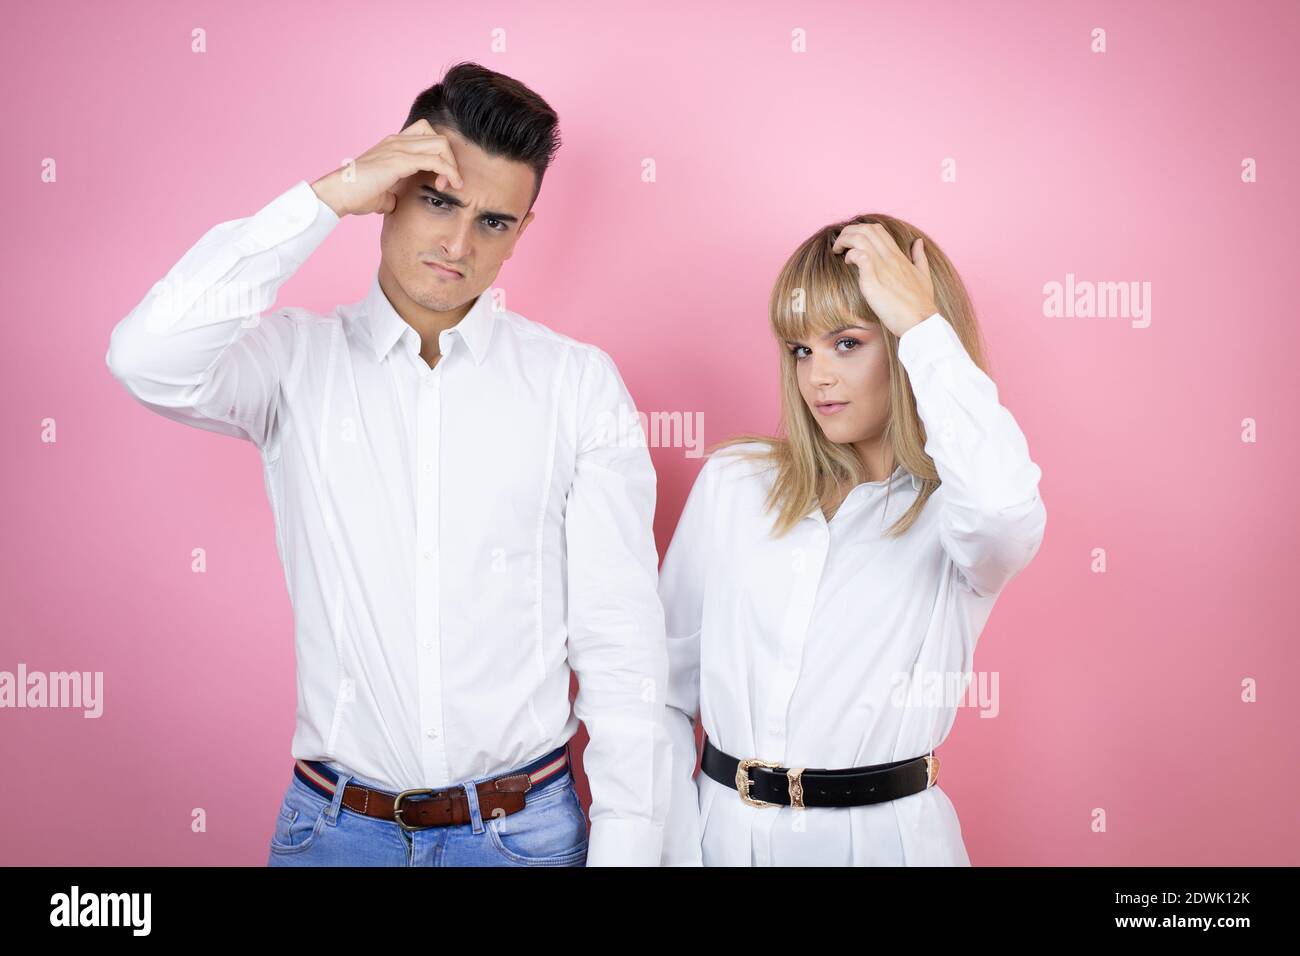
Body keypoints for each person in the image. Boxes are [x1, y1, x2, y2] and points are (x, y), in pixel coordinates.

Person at [105, 61, 671, 867]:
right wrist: (324, 196)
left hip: (525, 835)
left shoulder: (575, 385)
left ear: (522, 232)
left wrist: (632, 854)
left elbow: (621, 646)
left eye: (494, 222)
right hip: (332, 832)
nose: (457, 243)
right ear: (391, 191)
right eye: (439, 200)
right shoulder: (293, 364)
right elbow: (146, 357)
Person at [657, 216, 1047, 866]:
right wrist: (672, 849)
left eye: (847, 342)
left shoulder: (957, 510)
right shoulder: (735, 483)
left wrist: (924, 329)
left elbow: (1007, 510)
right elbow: (664, 691)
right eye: (800, 349)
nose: (817, 379)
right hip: (720, 839)